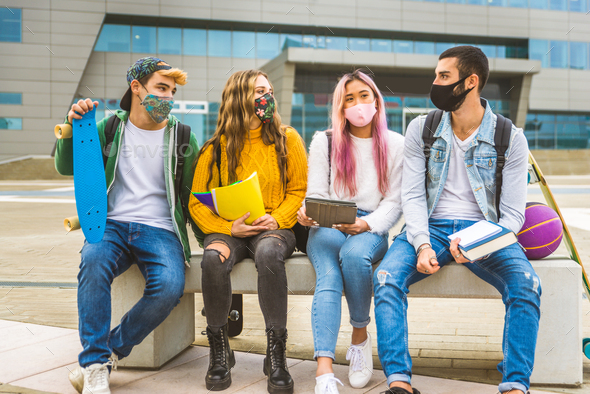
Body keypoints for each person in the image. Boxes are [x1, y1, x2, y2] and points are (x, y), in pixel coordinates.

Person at [373, 46, 541, 394]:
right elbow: (413, 197)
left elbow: (512, 216)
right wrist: (420, 243)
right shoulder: (422, 128)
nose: (435, 83)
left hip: (486, 232)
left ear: (471, 82)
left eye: (444, 77)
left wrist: (479, 244)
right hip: (430, 227)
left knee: (527, 284)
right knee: (386, 278)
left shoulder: (510, 138)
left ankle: (514, 385)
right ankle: (399, 382)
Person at [54, 57, 201, 394]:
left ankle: (108, 354)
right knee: (93, 262)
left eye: (172, 91)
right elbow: (66, 167)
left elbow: (193, 197)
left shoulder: (183, 137)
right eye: (160, 88)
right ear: (136, 87)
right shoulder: (108, 128)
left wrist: (215, 237)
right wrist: (72, 124)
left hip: (161, 230)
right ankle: (93, 366)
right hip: (111, 224)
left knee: (168, 286)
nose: (167, 97)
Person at [189, 69, 307, 393]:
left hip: (273, 228)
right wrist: (228, 227)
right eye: (258, 91)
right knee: (213, 258)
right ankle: (219, 349)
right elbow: (196, 203)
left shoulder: (288, 139)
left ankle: (276, 353)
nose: (266, 98)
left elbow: (298, 190)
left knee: (269, 253)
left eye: (268, 91)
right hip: (230, 231)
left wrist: (278, 217)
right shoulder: (215, 148)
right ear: (240, 97)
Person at [297, 70, 404, 394]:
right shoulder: (325, 141)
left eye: (363, 96)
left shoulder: (396, 144)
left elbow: (395, 202)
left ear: (376, 100)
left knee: (355, 256)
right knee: (328, 277)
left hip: (370, 223)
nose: (357, 104)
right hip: (329, 223)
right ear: (340, 107)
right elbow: (315, 193)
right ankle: (324, 371)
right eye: (349, 99)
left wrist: (366, 225)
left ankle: (359, 338)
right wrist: (308, 212)